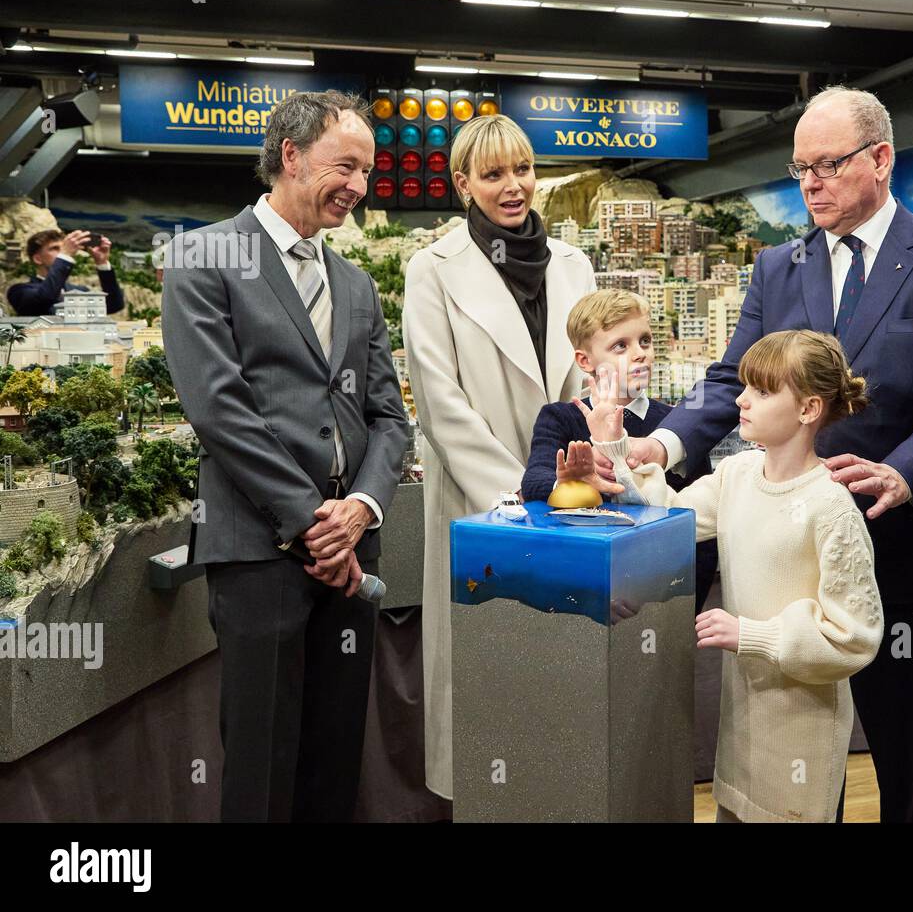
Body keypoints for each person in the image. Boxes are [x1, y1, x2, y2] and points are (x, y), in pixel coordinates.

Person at [600, 86, 913, 822]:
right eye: (800, 168)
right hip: (789, 565)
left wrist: (905, 469)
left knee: (908, 754)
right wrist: (660, 444)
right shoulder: (776, 266)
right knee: (798, 759)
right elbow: (732, 377)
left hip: (908, 550)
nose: (810, 183)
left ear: (881, 159)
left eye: (827, 164)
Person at [161, 90, 408, 822]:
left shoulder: (356, 283)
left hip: (350, 553)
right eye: (346, 166)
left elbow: (390, 417)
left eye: (368, 171)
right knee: (262, 766)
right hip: (259, 552)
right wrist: (312, 524)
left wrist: (360, 509)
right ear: (290, 155)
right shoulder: (205, 256)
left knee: (334, 763)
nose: (359, 186)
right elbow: (219, 410)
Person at [568, 329, 882, 822]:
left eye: (761, 390)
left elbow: (854, 639)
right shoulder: (737, 475)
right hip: (743, 727)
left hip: (801, 730)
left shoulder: (832, 509)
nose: (741, 400)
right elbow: (665, 513)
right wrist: (610, 442)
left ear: (808, 410)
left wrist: (750, 634)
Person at [403, 113, 597, 802]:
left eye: (523, 169)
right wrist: (520, 497)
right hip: (482, 510)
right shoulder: (430, 271)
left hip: (569, 507)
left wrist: (573, 470)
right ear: (463, 184)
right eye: (493, 175)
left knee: (557, 693)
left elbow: (589, 380)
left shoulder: (575, 265)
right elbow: (440, 404)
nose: (513, 187)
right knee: (489, 692)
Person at [520, 289, 719, 612]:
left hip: (663, 597)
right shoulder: (560, 418)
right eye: (620, 346)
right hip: (581, 590)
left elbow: (699, 526)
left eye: (645, 341)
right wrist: (574, 484)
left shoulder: (676, 427)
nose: (640, 354)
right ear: (585, 360)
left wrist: (681, 603)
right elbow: (534, 483)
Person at [11, 228, 124, 315]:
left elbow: (114, 306)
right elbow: (45, 297)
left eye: (63, 248)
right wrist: (65, 255)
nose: (61, 252)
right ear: (38, 259)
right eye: (55, 248)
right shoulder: (20, 291)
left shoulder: (79, 291)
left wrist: (102, 263)